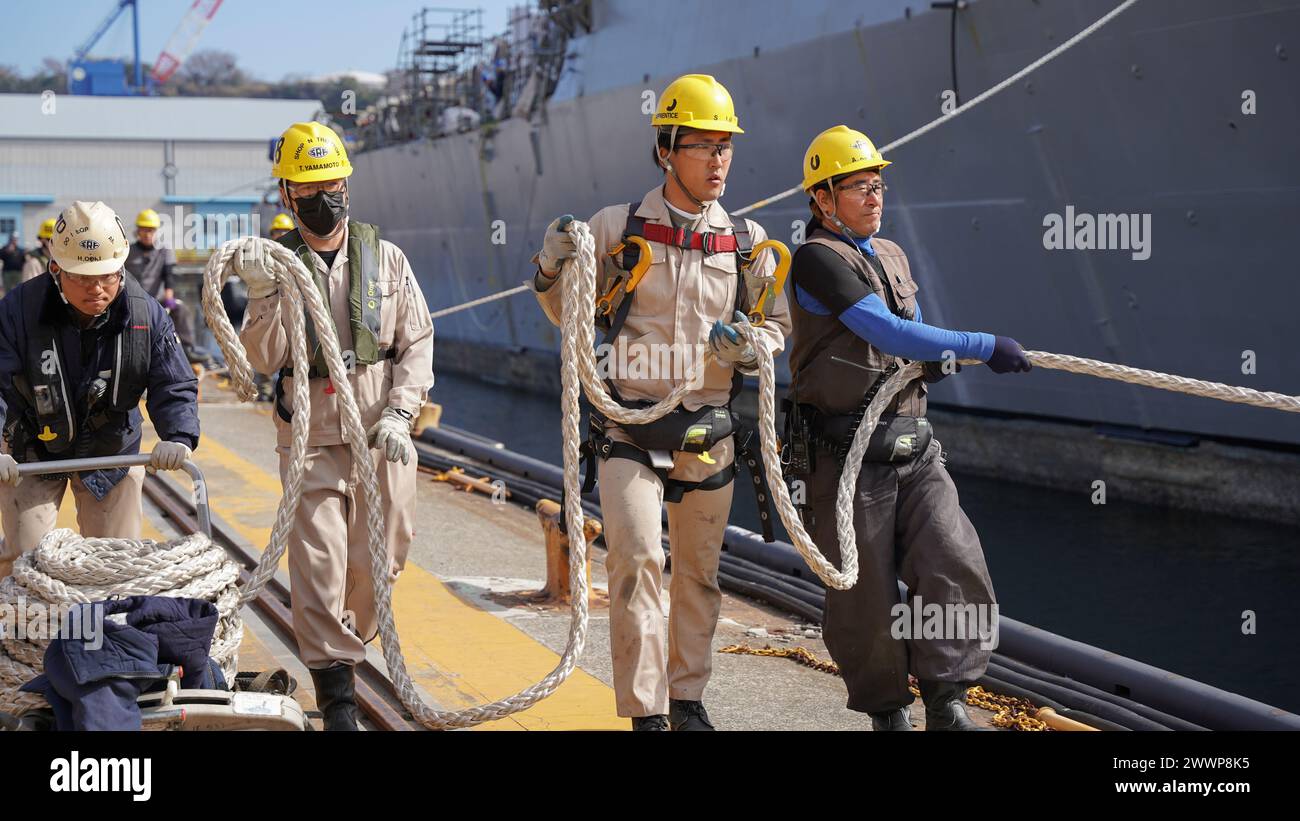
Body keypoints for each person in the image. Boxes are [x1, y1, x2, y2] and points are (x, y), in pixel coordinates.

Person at [532, 74, 791, 731]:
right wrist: (551, 263)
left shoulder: (747, 245)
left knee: (699, 577)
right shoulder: (616, 229)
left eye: (726, 146)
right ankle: (646, 713)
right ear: (666, 151)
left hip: (709, 432)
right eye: (703, 146)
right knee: (639, 560)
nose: (718, 160)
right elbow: (568, 313)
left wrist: (751, 344)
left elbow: (776, 326)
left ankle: (687, 699)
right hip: (630, 426)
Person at [784, 125, 1032, 731]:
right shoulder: (817, 260)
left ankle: (947, 701)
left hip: (912, 444)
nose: (875, 198)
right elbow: (888, 332)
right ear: (823, 199)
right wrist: (982, 345)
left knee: (954, 558)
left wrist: (935, 363)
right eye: (859, 188)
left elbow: (912, 338)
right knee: (864, 599)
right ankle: (887, 714)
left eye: (878, 186)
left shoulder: (889, 254)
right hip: (845, 456)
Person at [234, 122, 434, 730]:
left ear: (347, 183)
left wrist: (402, 411)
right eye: (309, 187)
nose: (324, 197)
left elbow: (416, 340)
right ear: (287, 197)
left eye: (332, 183)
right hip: (312, 439)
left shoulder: (386, 259)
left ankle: (349, 635)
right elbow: (261, 359)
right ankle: (338, 695)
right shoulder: (278, 268)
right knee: (317, 568)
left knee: (385, 557)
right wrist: (263, 295)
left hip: (381, 434)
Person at [0, 201, 200, 579]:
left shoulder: (145, 316)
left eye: (108, 276)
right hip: (34, 448)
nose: (97, 288)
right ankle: (26, 635)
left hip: (112, 450)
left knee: (116, 565)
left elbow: (173, 382)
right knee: (24, 563)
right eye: (82, 277)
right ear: (56, 268)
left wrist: (178, 436)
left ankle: (106, 635)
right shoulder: (17, 311)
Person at [125, 208, 214, 367]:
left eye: (151, 230)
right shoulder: (128, 252)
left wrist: (169, 297)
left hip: (158, 299)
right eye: (144, 230)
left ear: (156, 232)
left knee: (181, 309)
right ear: (138, 231)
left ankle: (187, 348)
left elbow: (169, 274)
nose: (147, 234)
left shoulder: (164, 251)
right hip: (133, 299)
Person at [19, 218, 55, 284]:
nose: (55, 243)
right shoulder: (33, 263)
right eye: (50, 239)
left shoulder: (63, 261)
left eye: (58, 240)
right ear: (42, 240)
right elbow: (29, 290)